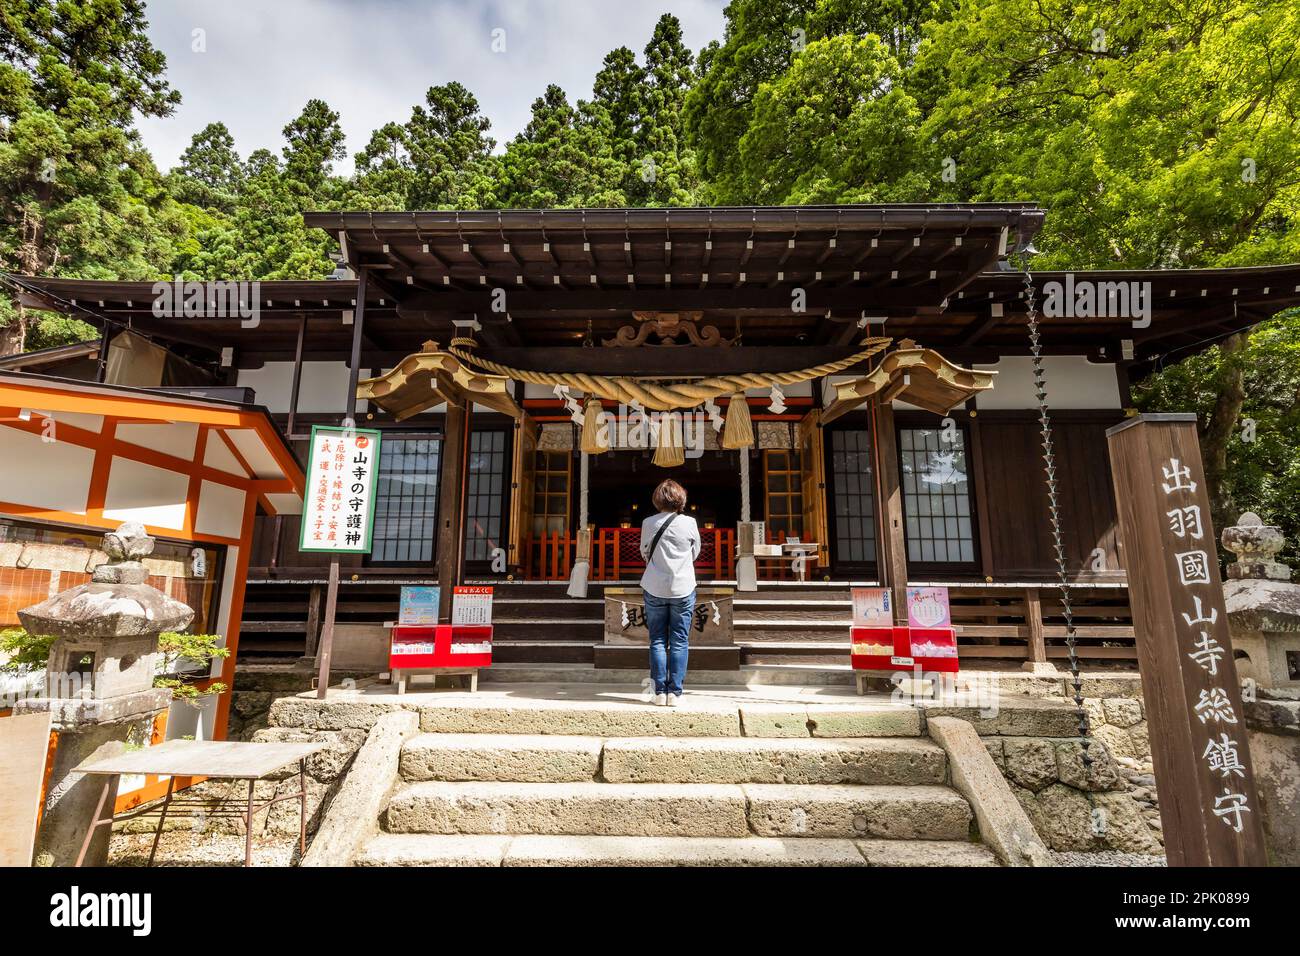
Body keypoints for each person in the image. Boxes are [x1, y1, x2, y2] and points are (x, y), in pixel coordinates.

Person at [639, 479, 700, 706]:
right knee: (679, 640)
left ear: (657, 499)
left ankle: (659, 693)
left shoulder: (648, 523)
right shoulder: (690, 523)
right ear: (680, 499)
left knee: (657, 640)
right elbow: (695, 552)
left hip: (655, 585)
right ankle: (675, 693)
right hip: (683, 586)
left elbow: (644, 551)